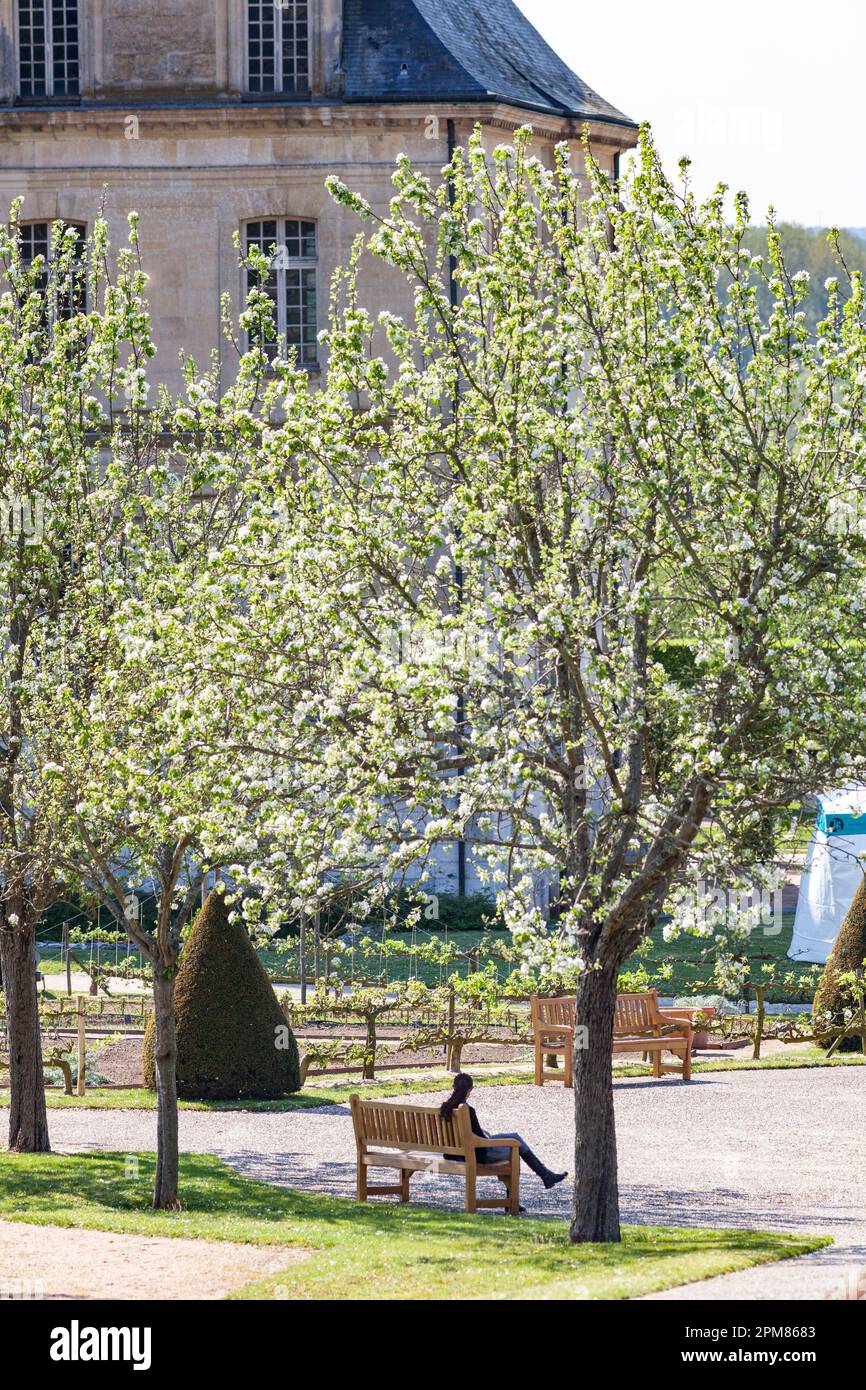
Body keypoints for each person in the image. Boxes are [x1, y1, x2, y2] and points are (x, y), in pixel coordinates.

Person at [439, 1072, 567, 1192]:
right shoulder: (467, 1110)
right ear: (470, 1090)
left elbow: (465, 1132)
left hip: (454, 1153)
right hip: (476, 1154)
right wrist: (485, 1136)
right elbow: (479, 1139)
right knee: (515, 1148)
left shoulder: (445, 1108)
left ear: (453, 1087)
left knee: (515, 1137)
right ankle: (516, 1197)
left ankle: (546, 1175)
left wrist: (483, 1134)